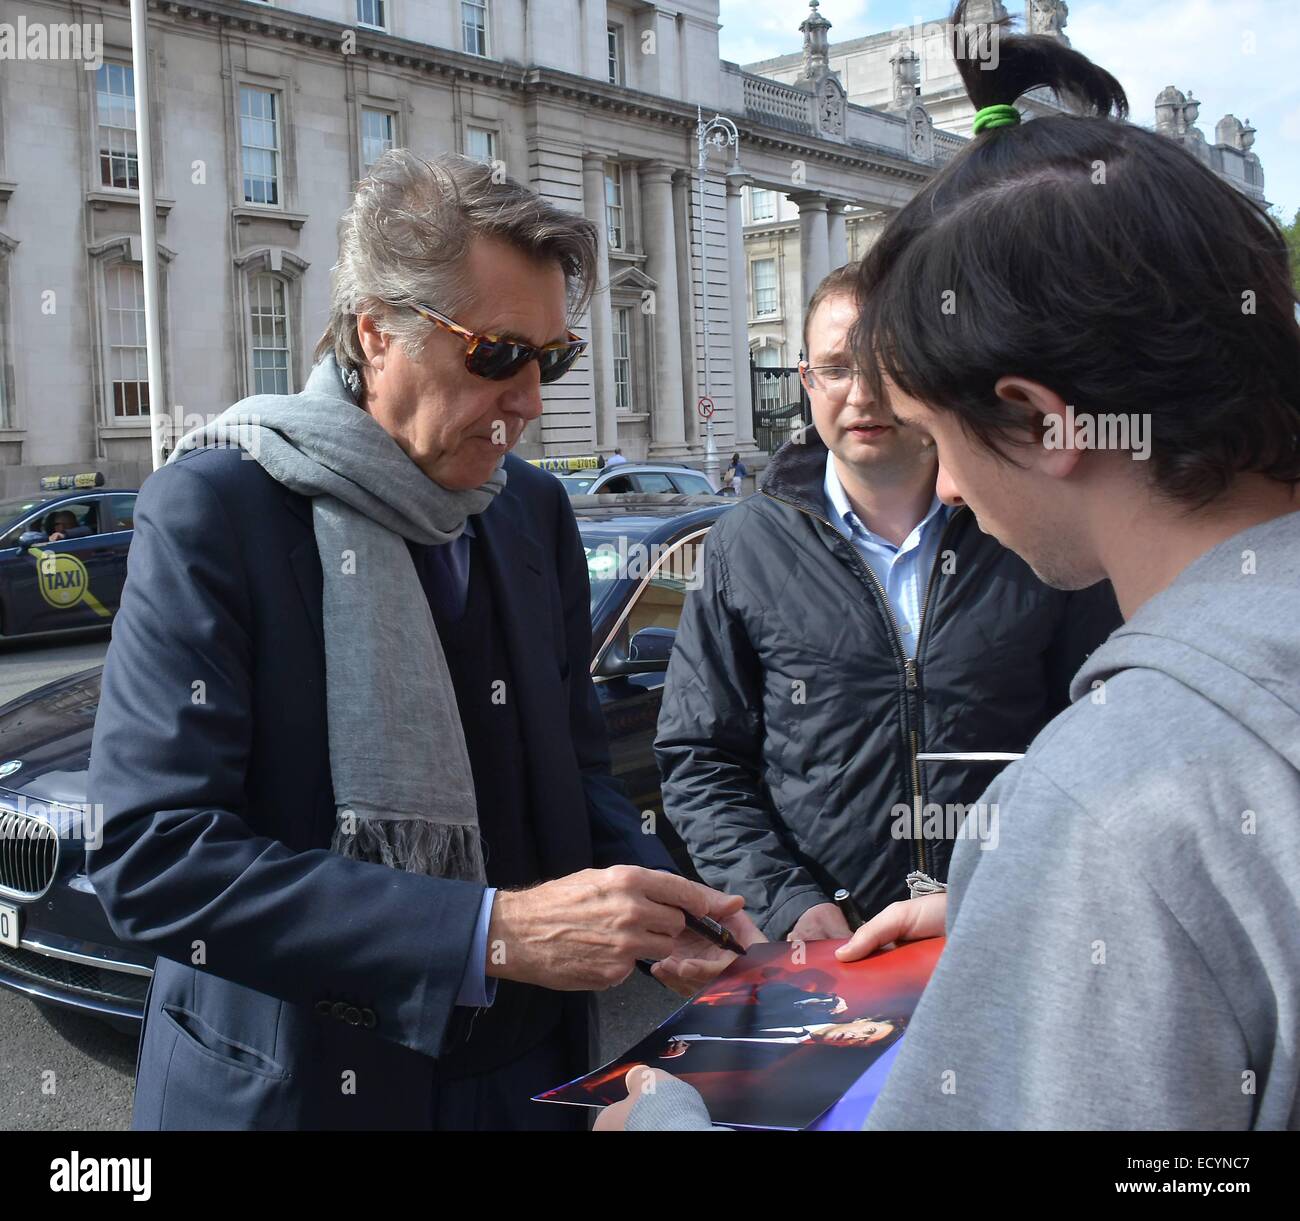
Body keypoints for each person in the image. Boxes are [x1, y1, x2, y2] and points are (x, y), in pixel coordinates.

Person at [602, 0, 1300, 1130]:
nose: (954, 492)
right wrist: (1004, 906)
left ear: (1037, 418)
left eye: (943, 431)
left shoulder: (1118, 796)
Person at [85, 149, 753, 1132]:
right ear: (375, 331)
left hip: (531, 1081)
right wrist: (488, 933)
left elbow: (572, 782)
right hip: (301, 1092)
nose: (530, 399)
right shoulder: (218, 506)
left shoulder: (529, 510)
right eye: (495, 354)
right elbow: (152, 858)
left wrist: (681, 915)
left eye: (552, 359)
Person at [655, 262, 1119, 945]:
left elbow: (1100, 734)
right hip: (829, 947)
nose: (862, 393)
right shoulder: (743, 545)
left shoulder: (1026, 526)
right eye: (837, 367)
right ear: (806, 379)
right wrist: (782, 898)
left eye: (888, 364)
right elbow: (701, 756)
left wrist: (1021, 879)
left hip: (1008, 923)